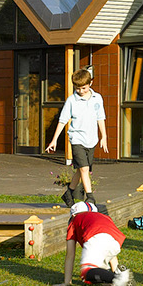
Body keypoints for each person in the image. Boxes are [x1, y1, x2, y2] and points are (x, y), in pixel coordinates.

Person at [44, 68, 108, 203]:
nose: (81, 91)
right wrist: (54, 140)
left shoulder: (97, 98)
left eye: (84, 88)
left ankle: (69, 193)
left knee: (81, 170)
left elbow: (100, 118)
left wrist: (104, 137)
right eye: (78, 88)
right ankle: (90, 197)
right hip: (76, 139)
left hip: (91, 139)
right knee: (84, 168)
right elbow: (62, 121)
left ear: (91, 83)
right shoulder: (71, 100)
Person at [65, 201, 134, 286]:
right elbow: (112, 255)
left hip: (95, 238)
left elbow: (70, 255)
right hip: (115, 241)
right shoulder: (102, 217)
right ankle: (116, 277)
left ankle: (118, 278)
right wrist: (115, 270)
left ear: (73, 215)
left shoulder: (75, 220)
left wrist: (67, 282)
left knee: (87, 272)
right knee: (97, 272)